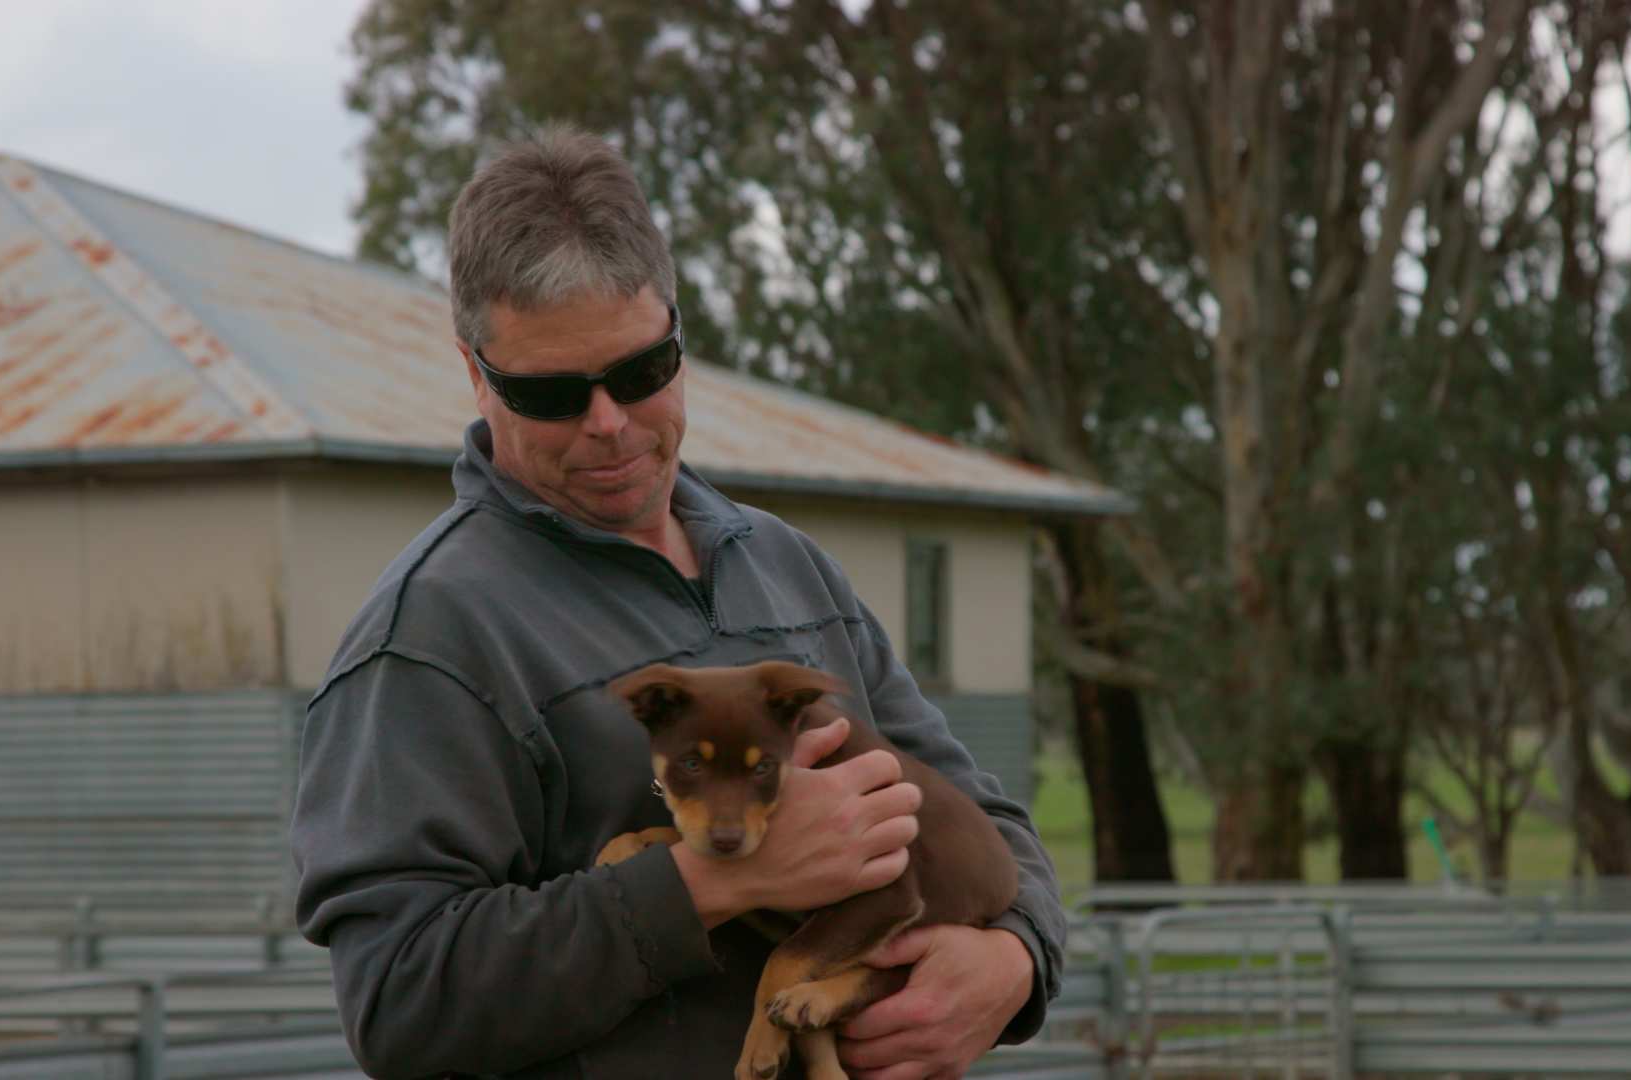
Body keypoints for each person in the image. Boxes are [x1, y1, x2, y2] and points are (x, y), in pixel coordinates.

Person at [290, 124, 1066, 1080]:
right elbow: (401, 1000)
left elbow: (984, 820)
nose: (609, 423)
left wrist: (1013, 960)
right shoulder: (432, 634)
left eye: (641, 372)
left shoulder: (788, 567)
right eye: (553, 394)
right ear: (474, 373)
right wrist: (711, 881)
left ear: (677, 332)